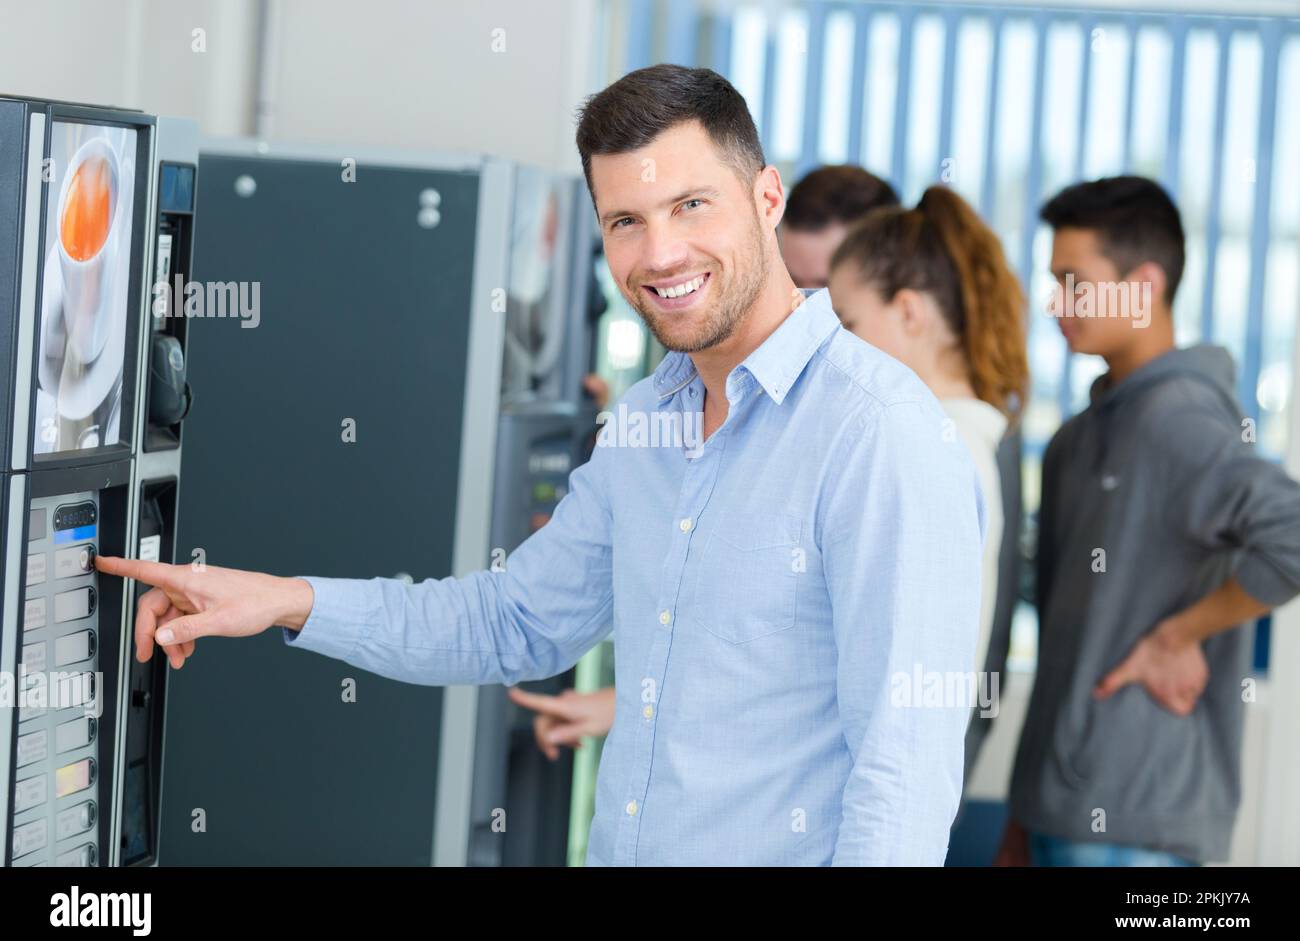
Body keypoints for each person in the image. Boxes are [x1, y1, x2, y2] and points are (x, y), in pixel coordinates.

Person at [99, 64, 984, 866]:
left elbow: (900, 785)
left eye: (691, 206)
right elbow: (513, 622)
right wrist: (286, 600)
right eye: (626, 223)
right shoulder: (646, 423)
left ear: (766, 197)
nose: (661, 255)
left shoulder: (880, 435)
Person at [512, 162, 903, 760]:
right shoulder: (681, 405)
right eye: (793, 280)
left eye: (825, 293)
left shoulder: (889, 435)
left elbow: (891, 727)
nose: (799, 310)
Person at [994, 175, 1300, 867]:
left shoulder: (1177, 419)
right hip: (1059, 810)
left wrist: (1178, 636)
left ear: (1145, 283)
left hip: (1135, 830)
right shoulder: (1080, 438)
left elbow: (1293, 532)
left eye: (1074, 281)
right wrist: (1022, 816)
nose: (1055, 303)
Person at [828, 185, 1028, 707]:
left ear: (909, 314)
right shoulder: (948, 441)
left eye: (848, 323)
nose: (835, 345)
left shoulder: (930, 450)